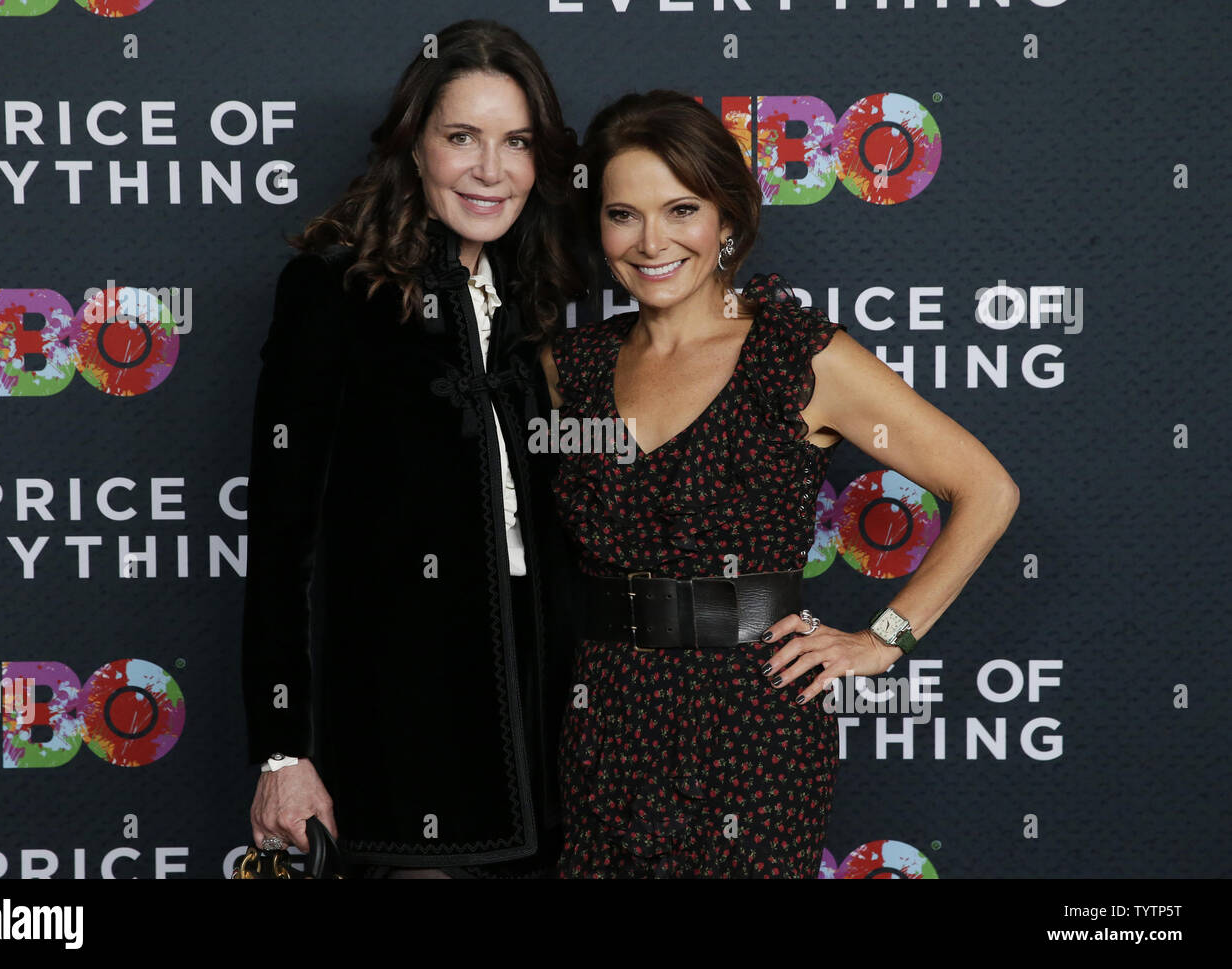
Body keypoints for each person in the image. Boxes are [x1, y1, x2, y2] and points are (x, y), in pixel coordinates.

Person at [541, 90, 1020, 877]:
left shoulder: (797, 356)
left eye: (682, 208)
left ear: (727, 218)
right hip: (607, 716)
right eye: (624, 214)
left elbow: (986, 490)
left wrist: (883, 640)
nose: (652, 240)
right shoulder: (573, 368)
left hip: (751, 725)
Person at [241, 19, 583, 878]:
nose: (490, 170)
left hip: (539, 714)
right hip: (403, 715)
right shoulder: (333, 287)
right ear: (414, 144)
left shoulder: (529, 290)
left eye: (516, 142)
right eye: (462, 137)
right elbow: (282, 539)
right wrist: (283, 751)